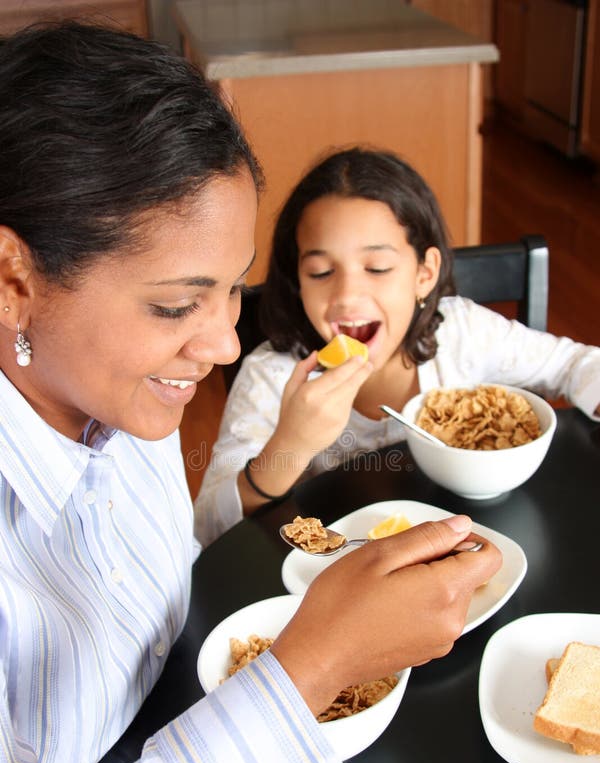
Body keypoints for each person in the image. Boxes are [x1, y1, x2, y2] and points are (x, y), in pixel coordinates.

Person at [0, 22, 501, 763]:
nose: (227, 344)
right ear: (14, 278)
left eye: (232, 288)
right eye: (175, 306)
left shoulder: (122, 408)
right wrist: (314, 665)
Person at [194, 147, 600, 546]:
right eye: (320, 272)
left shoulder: (462, 335)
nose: (347, 295)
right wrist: (291, 443)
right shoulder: (274, 375)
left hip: (482, 540)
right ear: (298, 281)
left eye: (377, 268)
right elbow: (209, 527)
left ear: (424, 274)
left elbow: (574, 364)